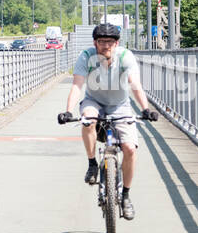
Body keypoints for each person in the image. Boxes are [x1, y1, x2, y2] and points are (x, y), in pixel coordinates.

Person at [58, 22, 158, 220]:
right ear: (95, 43)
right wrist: (68, 111)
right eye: (102, 41)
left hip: (120, 105)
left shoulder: (125, 57)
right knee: (88, 119)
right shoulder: (86, 57)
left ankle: (126, 196)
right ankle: (92, 163)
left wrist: (146, 109)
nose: (106, 46)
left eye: (110, 42)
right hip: (93, 101)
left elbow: (135, 85)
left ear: (117, 43)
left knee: (129, 149)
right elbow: (77, 86)